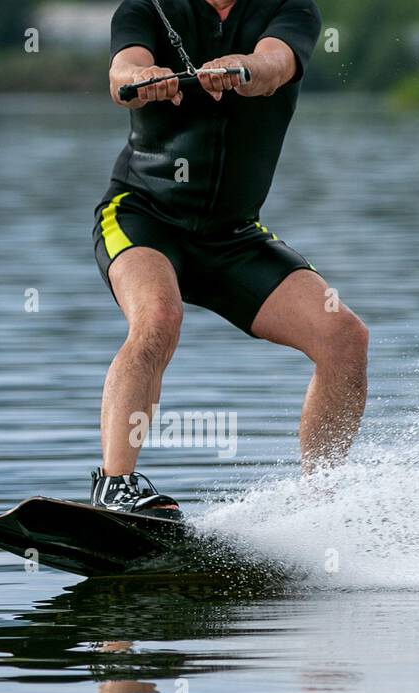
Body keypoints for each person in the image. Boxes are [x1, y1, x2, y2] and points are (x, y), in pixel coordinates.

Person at [91, 0, 368, 517]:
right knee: (158, 317)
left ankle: (321, 507)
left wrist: (241, 69)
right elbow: (120, 73)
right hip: (144, 215)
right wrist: (142, 75)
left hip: (232, 233)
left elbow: (274, 66)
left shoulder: (291, 10)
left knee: (344, 338)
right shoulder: (147, 8)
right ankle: (116, 485)